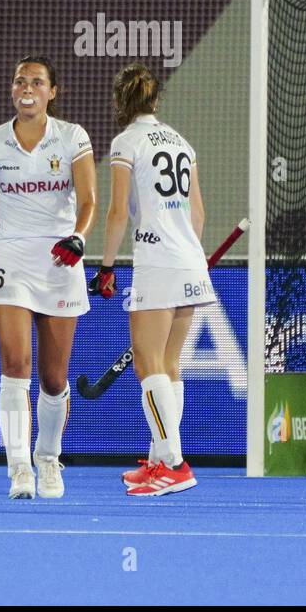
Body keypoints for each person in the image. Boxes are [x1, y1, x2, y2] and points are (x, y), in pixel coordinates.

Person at [0, 56, 96, 499]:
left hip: (60, 261)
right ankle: (19, 469)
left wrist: (78, 238)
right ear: (11, 90)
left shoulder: (73, 138)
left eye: (37, 81)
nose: (26, 87)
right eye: (19, 81)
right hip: (9, 260)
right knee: (15, 368)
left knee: (54, 379)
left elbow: (88, 200)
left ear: (53, 91)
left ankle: (48, 459)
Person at [90, 62, 208, 496]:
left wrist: (105, 267)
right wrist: (188, 255)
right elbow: (198, 214)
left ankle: (174, 465)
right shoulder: (182, 142)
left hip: (156, 263)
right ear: (155, 100)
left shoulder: (127, 142)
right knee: (169, 364)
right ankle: (160, 456)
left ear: (121, 102)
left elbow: (118, 211)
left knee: (147, 364)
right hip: (189, 261)